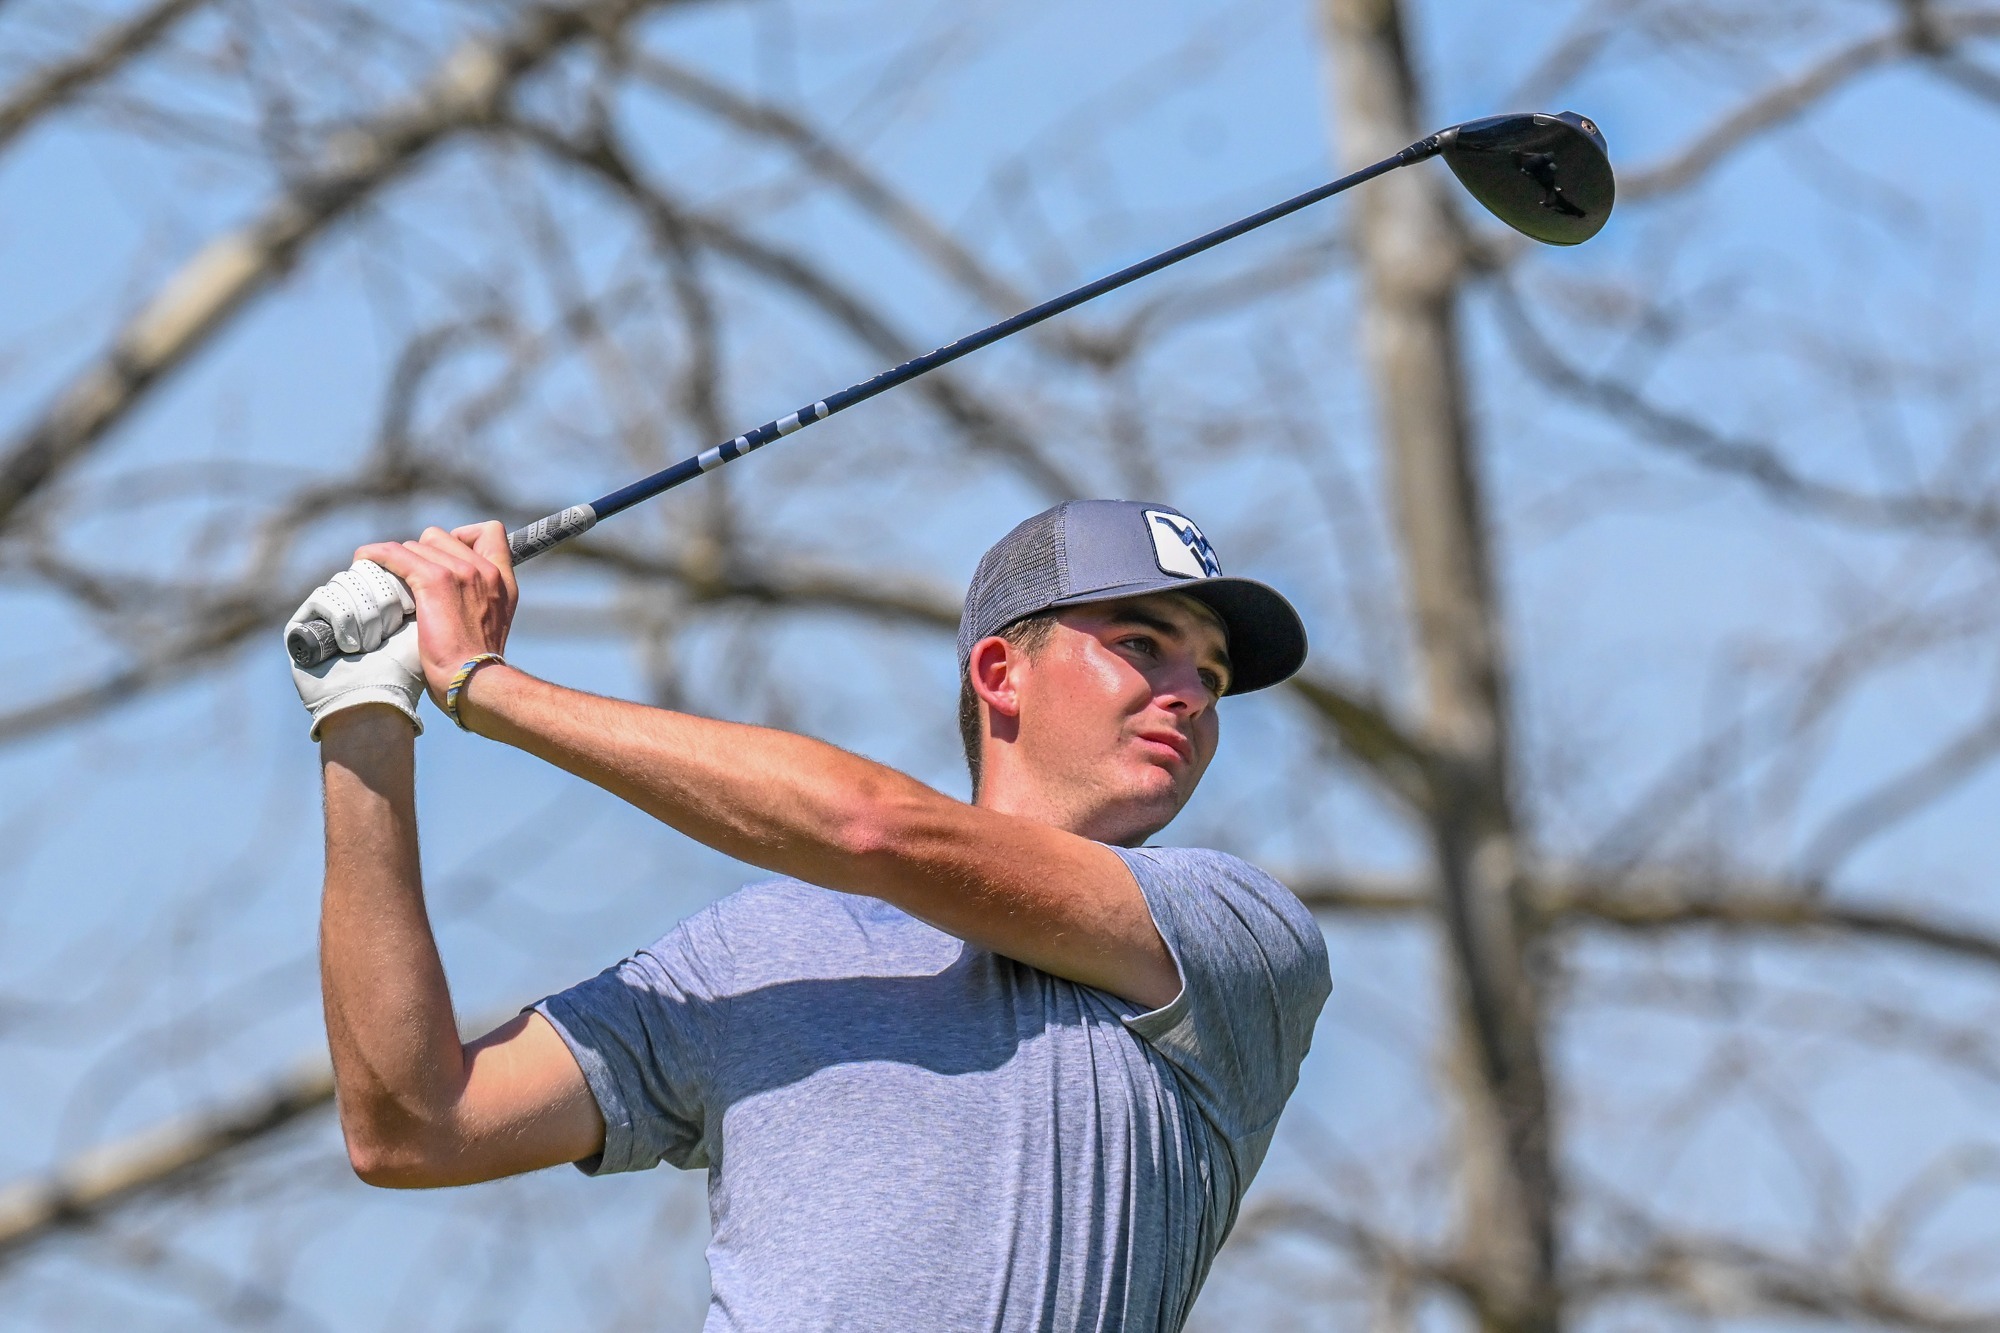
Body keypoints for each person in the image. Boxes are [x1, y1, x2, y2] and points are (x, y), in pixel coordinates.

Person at [290, 498, 1330, 1332]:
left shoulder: (1232, 936)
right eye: (1144, 644)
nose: (1189, 693)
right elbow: (413, 1127)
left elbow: (873, 828)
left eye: (1212, 673)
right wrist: (363, 720)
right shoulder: (763, 949)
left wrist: (487, 686)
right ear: (999, 674)